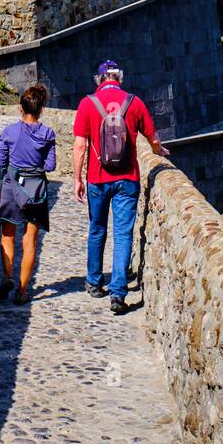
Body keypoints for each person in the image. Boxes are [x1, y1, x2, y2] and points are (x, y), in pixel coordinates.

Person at [73, 59, 168, 315]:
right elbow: (153, 139)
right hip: (128, 178)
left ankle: (94, 282)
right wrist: (160, 151)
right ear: (119, 78)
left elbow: (80, 146)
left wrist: (77, 179)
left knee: (97, 230)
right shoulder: (134, 102)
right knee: (123, 234)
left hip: (97, 178)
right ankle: (117, 293)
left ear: (100, 79)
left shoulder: (87, 104)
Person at [0, 84, 56, 305]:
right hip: (36, 190)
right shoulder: (47, 134)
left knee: (7, 234)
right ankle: (21, 291)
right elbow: (50, 166)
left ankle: (7, 277)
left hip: (12, 187)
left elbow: (1, 162)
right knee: (30, 240)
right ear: (40, 110)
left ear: (21, 108)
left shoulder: (9, 132)